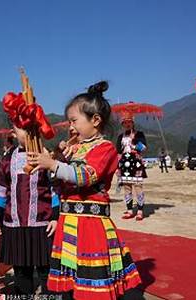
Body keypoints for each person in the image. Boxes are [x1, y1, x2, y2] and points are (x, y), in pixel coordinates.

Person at [28, 81, 141, 299]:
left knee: (92, 285)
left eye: (74, 121)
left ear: (95, 120)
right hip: (69, 222)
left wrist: (55, 165)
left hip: (90, 226)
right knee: (70, 284)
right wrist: (55, 161)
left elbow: (85, 176)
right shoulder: (76, 148)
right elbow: (59, 183)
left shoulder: (105, 148)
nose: (70, 127)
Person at [0, 124, 59, 295]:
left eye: (32, 129)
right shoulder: (7, 160)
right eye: (24, 130)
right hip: (15, 224)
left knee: (46, 268)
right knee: (21, 270)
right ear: (13, 133)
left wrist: (55, 216)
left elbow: (55, 189)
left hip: (43, 223)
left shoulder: (47, 157)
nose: (29, 133)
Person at [116, 113, 148, 221]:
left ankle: (140, 210)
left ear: (132, 123)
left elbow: (143, 148)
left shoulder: (139, 134)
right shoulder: (121, 136)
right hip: (125, 162)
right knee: (127, 186)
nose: (127, 124)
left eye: (129, 122)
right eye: (125, 123)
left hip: (136, 161)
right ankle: (129, 210)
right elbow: (118, 152)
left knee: (138, 185)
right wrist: (118, 167)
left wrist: (134, 140)